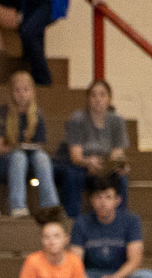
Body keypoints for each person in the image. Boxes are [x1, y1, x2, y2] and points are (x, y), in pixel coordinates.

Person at [72, 174, 152, 278]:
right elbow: (74, 262)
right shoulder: (81, 223)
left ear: (117, 200)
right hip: (91, 275)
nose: (103, 202)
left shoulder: (131, 221)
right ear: (91, 200)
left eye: (108, 197)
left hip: (121, 276)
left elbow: (135, 260)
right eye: (98, 197)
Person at [0, 69, 56, 219]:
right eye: (17, 90)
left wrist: (26, 146)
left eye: (26, 90)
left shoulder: (37, 114)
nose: (22, 94)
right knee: (19, 156)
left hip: (31, 162)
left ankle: (50, 205)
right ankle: (18, 206)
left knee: (41, 158)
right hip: (6, 162)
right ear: (11, 92)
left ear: (32, 91)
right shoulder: (2, 113)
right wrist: (16, 147)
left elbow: (40, 145)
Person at [53, 79, 128, 218]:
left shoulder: (117, 121)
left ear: (109, 99)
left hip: (102, 167)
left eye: (102, 95)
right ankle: (71, 219)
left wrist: (119, 166)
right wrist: (88, 162)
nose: (98, 99)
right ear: (88, 99)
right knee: (73, 174)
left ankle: (120, 220)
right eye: (93, 95)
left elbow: (117, 154)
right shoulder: (77, 119)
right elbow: (75, 156)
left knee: (121, 177)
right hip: (77, 165)